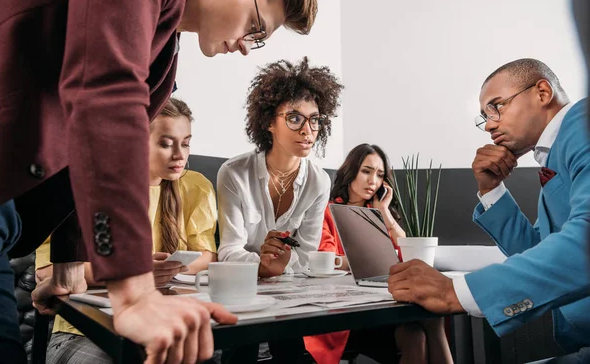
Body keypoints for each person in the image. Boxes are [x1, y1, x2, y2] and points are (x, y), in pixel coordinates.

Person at [0, 0, 318, 362]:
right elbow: (103, 101)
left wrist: (69, 261)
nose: (248, 44)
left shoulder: (164, 49)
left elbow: (80, 141)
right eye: (255, 24)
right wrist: (134, 292)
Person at [388, 59, 590, 358]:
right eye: (485, 116)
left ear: (543, 93)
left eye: (497, 106)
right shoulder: (556, 150)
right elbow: (536, 249)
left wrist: (454, 292)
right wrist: (491, 189)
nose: (490, 124)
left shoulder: (583, 125)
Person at [35, 98, 218, 363]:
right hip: (83, 332)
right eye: (166, 144)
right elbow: (45, 273)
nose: (180, 154)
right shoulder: (89, 185)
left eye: (186, 143)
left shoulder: (196, 186)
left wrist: (164, 268)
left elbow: (207, 256)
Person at [217, 56, 343, 362]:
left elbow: (306, 255)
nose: (308, 130)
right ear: (269, 122)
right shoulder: (234, 173)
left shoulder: (318, 181)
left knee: (291, 352)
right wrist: (263, 264)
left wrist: (281, 265)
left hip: (288, 297)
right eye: (295, 118)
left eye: (315, 119)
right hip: (240, 292)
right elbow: (228, 251)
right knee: (242, 349)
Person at [304, 143, 453, 364]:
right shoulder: (326, 210)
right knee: (421, 329)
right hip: (346, 314)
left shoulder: (378, 215)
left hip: (382, 303)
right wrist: (373, 262)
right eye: (366, 171)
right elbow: (327, 260)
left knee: (426, 326)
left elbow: (413, 258)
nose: (373, 181)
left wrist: (384, 212)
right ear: (350, 171)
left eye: (380, 175)